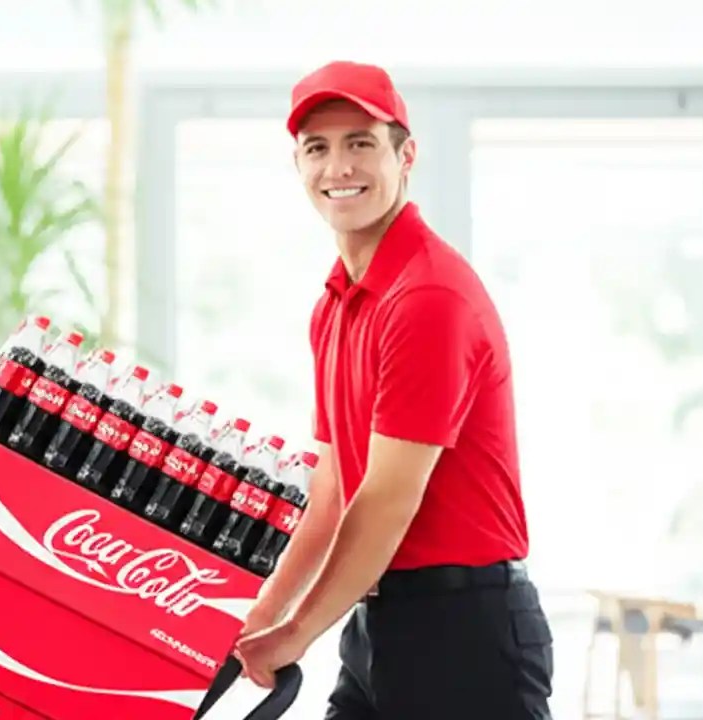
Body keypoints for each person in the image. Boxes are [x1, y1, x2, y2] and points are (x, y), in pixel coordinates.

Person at [232, 60, 555, 718]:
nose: (338, 168)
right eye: (316, 148)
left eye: (361, 143)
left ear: (406, 155)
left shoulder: (427, 297)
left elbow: (385, 500)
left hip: (467, 634)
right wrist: (254, 622)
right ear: (297, 166)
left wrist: (296, 634)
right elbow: (332, 488)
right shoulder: (337, 303)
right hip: (382, 624)